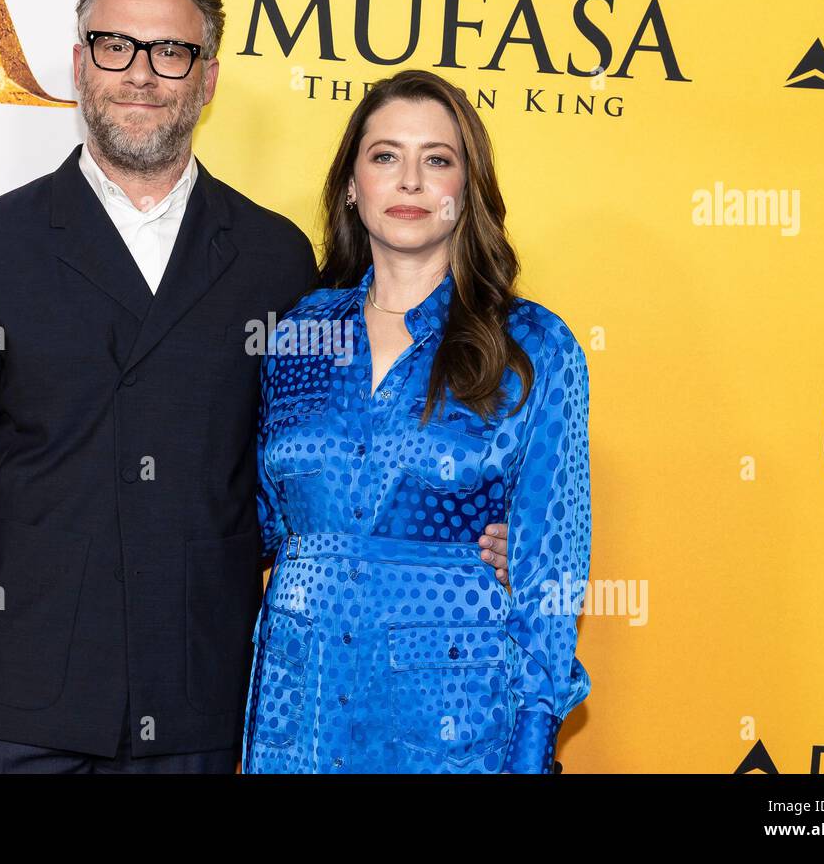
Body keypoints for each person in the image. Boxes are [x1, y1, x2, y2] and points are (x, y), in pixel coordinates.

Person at [0, 0, 515, 774]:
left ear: (206, 78)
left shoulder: (275, 259)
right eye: (116, 46)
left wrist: (462, 530)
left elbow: (325, 455)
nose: (141, 73)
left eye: (172, 52)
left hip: (202, 702)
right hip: (17, 698)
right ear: (80, 64)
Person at [241, 69, 592, 774]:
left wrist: (529, 754)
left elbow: (552, 576)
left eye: (437, 159)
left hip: (454, 726)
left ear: (467, 191)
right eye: (384, 156)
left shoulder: (533, 349)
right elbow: (256, 521)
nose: (409, 181)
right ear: (351, 184)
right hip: (299, 711)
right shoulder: (301, 334)